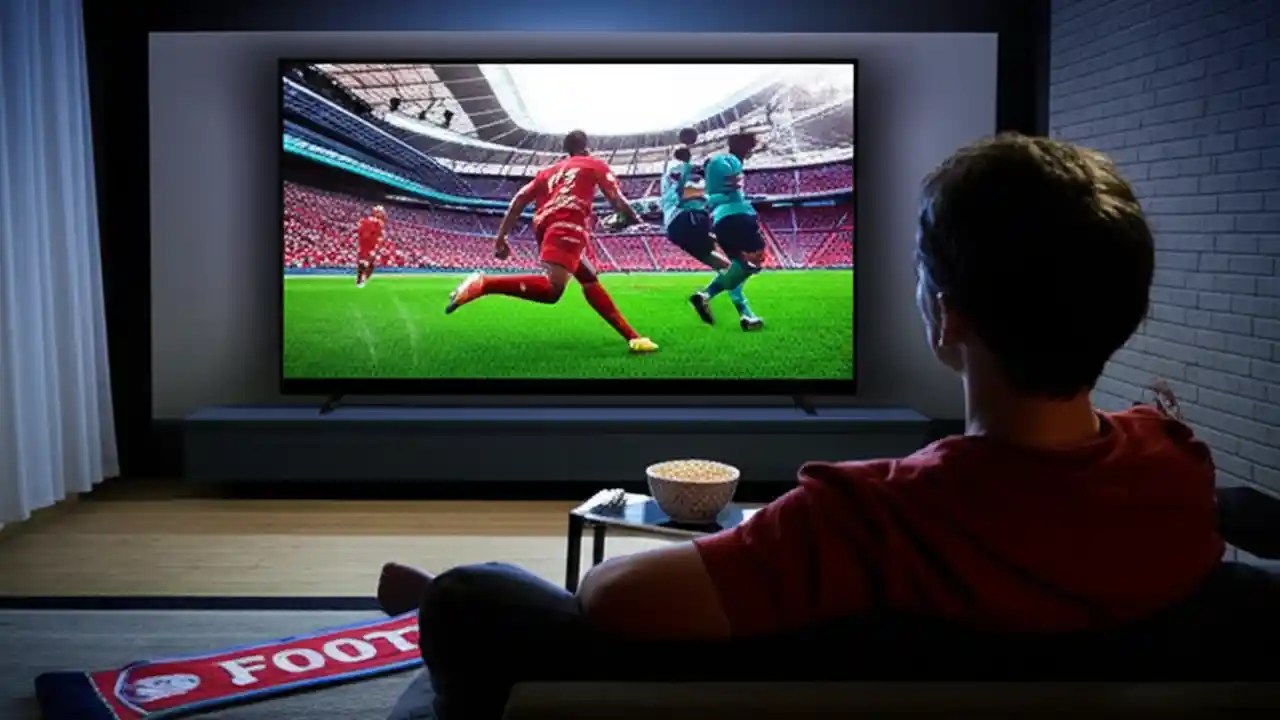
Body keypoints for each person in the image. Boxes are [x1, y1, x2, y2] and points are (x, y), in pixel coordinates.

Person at [378, 133, 1225, 716]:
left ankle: (430, 603)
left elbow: (613, 596)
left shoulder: (864, 517)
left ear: (945, 316)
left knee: (472, 597)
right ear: (1127, 309)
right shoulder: (1179, 471)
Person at [444, 130, 659, 354]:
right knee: (552, 291)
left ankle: (633, 338)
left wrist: (501, 239)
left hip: (545, 227)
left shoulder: (546, 173)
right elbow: (616, 198)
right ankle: (485, 283)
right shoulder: (594, 164)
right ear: (586, 148)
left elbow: (518, 201)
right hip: (569, 224)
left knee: (589, 279)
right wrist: (635, 219)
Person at [659, 145, 762, 330]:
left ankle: (746, 314)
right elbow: (695, 194)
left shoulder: (668, 176)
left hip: (673, 228)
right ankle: (717, 299)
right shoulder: (690, 172)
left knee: (727, 269)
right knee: (744, 264)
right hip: (690, 220)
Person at [689, 132, 769, 328]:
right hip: (739, 215)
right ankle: (706, 293)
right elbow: (729, 188)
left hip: (720, 221)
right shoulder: (728, 160)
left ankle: (746, 315)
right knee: (754, 261)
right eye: (751, 149)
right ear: (745, 148)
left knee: (735, 267)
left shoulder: (710, 173)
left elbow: (697, 194)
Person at [353, 204, 386, 287]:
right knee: (366, 263)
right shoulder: (377, 223)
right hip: (368, 244)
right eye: (380, 212)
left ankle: (361, 279)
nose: (382, 214)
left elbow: (360, 232)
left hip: (366, 244)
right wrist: (377, 245)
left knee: (367, 263)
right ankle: (361, 280)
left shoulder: (366, 221)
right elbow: (378, 236)